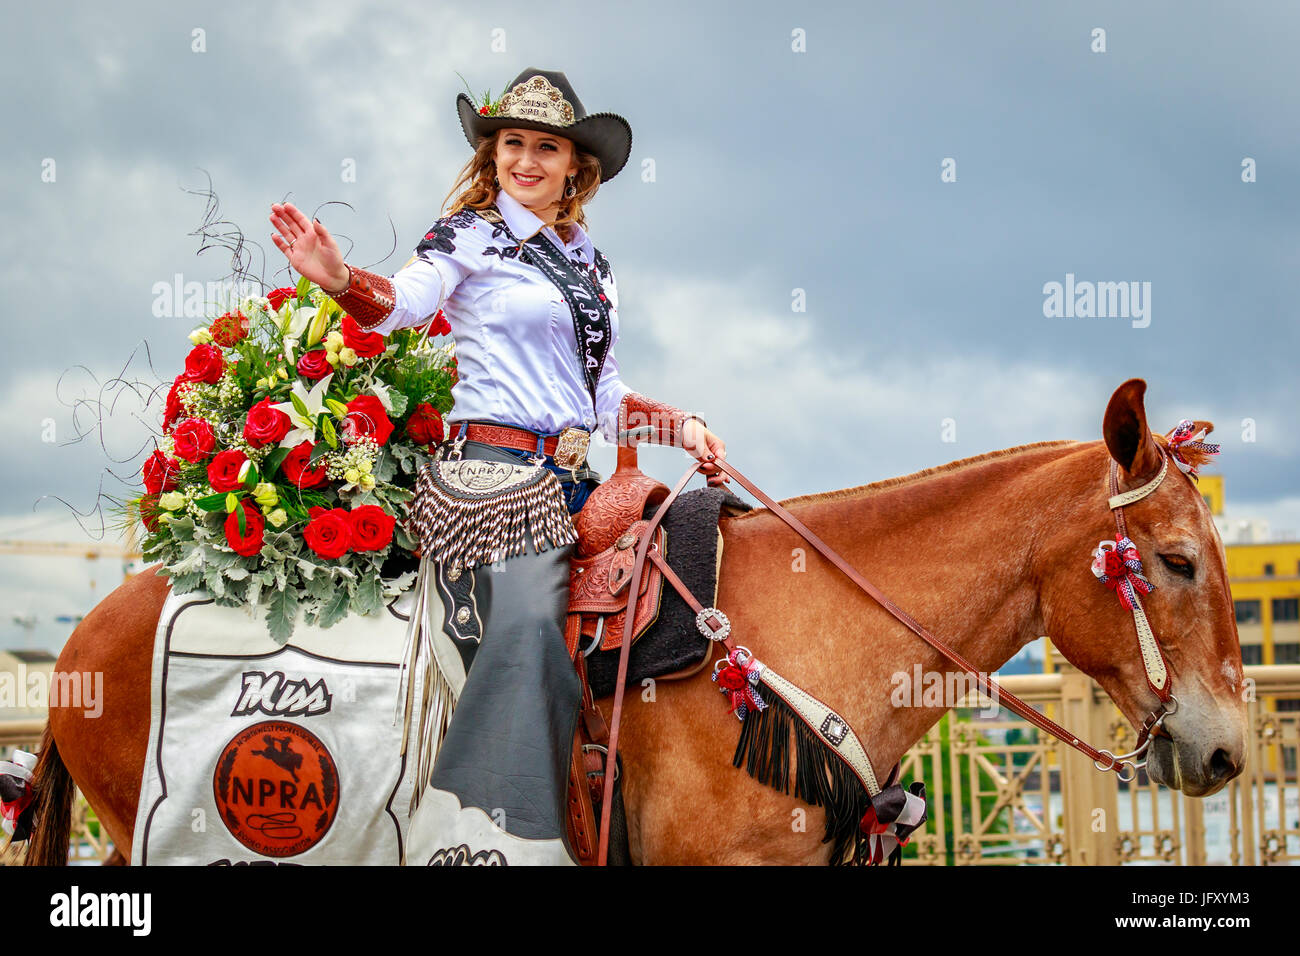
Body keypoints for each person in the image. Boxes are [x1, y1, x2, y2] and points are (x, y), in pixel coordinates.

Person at [268, 67, 727, 864]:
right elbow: (406, 304)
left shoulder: (593, 265)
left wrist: (680, 424)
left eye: (544, 147)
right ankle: (506, 838)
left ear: (575, 167)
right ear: (492, 154)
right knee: (528, 623)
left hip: (581, 478)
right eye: (512, 142)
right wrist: (343, 281)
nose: (526, 159)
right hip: (494, 475)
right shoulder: (468, 235)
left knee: (694, 569)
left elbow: (604, 394)